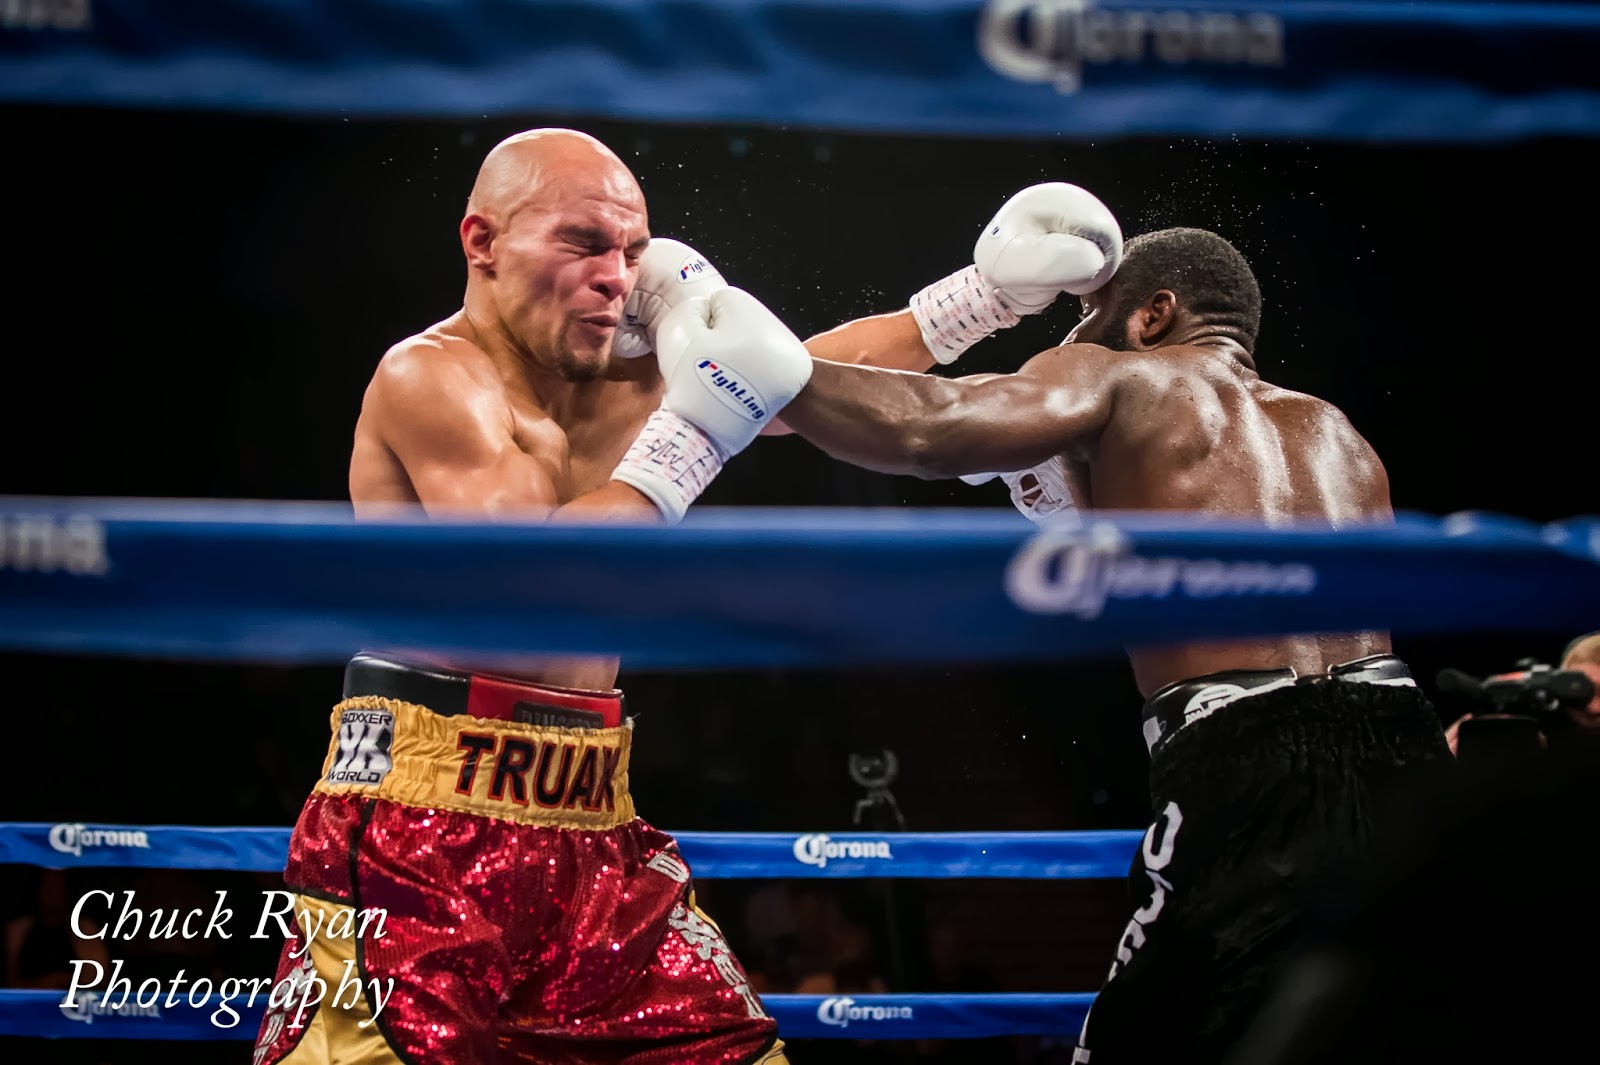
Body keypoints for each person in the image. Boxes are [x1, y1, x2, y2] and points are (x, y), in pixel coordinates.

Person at [759, 195, 1456, 1062]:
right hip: (1406, 747)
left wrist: (757, 364)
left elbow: (930, 427)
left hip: (1248, 751)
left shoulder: (1125, 374)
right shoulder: (1338, 433)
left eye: (1092, 313)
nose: (1076, 335)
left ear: (1153, 313)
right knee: (1379, 1017)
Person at [252, 128, 817, 1065]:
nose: (620, 277)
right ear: (482, 243)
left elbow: (800, 375)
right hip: (419, 827)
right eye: (585, 243)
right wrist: (690, 441)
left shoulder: (627, 387)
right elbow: (522, 596)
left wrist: (977, 304)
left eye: (634, 252)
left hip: (596, 820)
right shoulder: (428, 375)